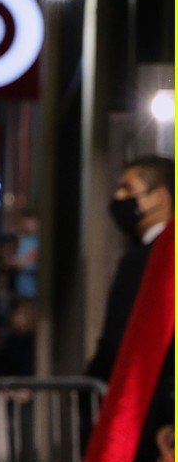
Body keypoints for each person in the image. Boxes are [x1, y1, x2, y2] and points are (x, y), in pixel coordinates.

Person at [86, 156, 174, 382]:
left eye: (127, 188)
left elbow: (118, 337)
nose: (119, 197)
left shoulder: (143, 260)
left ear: (159, 197)